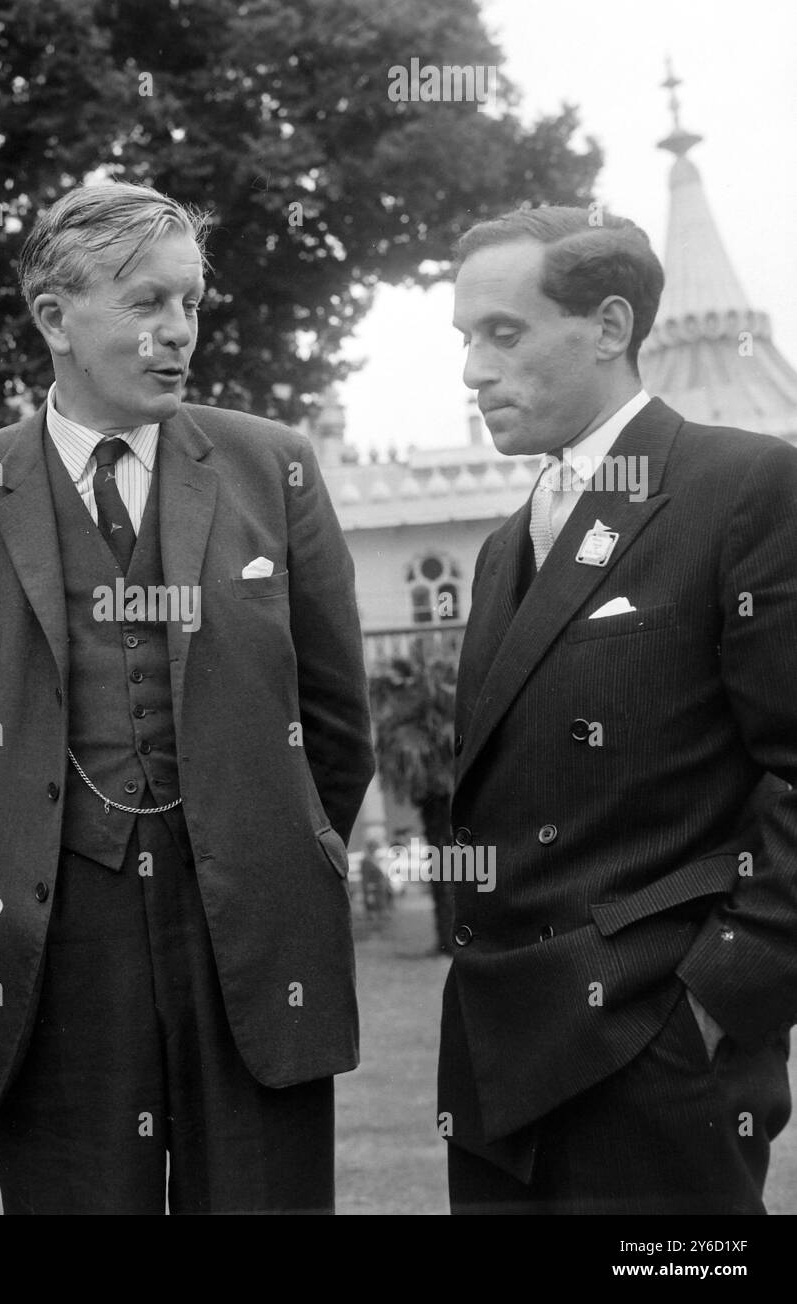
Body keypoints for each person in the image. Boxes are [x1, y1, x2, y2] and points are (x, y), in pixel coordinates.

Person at [0, 181, 372, 1213]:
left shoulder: (274, 467)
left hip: (254, 935)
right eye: (147, 303)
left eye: (192, 304)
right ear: (54, 317)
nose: (179, 334)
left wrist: (275, 846)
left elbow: (337, 720)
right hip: (50, 949)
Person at [441, 206, 797, 1213]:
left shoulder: (744, 485)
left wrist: (719, 997)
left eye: (502, 333)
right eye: (465, 338)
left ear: (606, 327)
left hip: (653, 1049)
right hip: (493, 1052)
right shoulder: (505, 544)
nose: (472, 370)